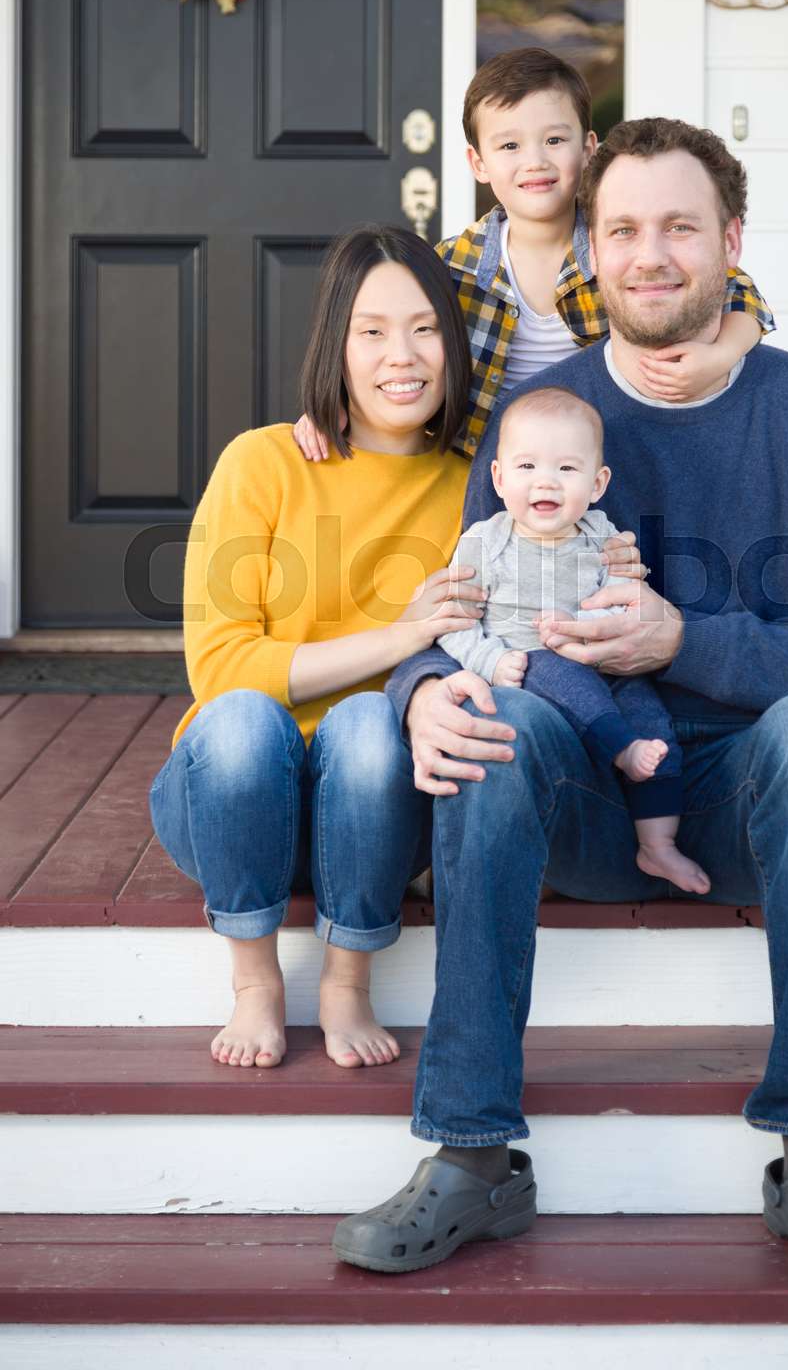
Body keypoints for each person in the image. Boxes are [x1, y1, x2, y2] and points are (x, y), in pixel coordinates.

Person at [331, 120, 788, 1281]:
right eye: (624, 230)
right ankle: (471, 1155)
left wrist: (682, 639)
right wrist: (414, 695)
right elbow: (463, 605)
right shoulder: (539, 417)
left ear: (730, 242)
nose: (650, 254)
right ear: (591, 255)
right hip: (584, 805)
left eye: (679, 227)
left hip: (751, 805)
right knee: (489, 718)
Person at [149, 226, 480, 1072]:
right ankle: (256, 982)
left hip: (375, 811)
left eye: (423, 327)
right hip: (232, 803)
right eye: (370, 331)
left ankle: (346, 981)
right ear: (335, 345)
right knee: (243, 722)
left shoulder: (474, 490)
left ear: (454, 339)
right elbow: (220, 668)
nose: (400, 356)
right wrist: (402, 632)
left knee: (372, 724)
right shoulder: (262, 462)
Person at [293, 46, 775, 463]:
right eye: (509, 145)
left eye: (554, 140)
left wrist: (721, 355)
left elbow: (741, 294)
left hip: (603, 461)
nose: (535, 161)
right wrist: (335, 405)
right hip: (489, 464)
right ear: (478, 163)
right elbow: (388, 337)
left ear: (589, 148)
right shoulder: (452, 264)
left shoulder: (619, 249)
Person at [437, 384, 708, 895]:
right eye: (527, 467)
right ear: (497, 477)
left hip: (603, 664)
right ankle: (622, 750)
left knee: (653, 716)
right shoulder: (485, 542)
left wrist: (626, 602)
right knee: (559, 671)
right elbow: (455, 621)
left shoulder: (601, 533)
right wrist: (493, 662)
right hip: (530, 668)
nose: (547, 482)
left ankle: (658, 843)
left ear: (597, 482)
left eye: (566, 469)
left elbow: (622, 592)